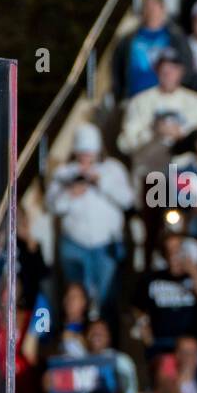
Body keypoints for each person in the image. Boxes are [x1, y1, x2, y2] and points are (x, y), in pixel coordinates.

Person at [45, 124, 132, 312]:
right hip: (74, 244)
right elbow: (52, 206)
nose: (85, 157)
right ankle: (75, 335)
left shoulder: (113, 169)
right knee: (75, 301)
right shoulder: (64, 172)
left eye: (89, 152)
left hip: (106, 244)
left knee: (106, 298)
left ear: (98, 149)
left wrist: (100, 181)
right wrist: (70, 193)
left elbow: (127, 200)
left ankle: (106, 338)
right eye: (82, 152)